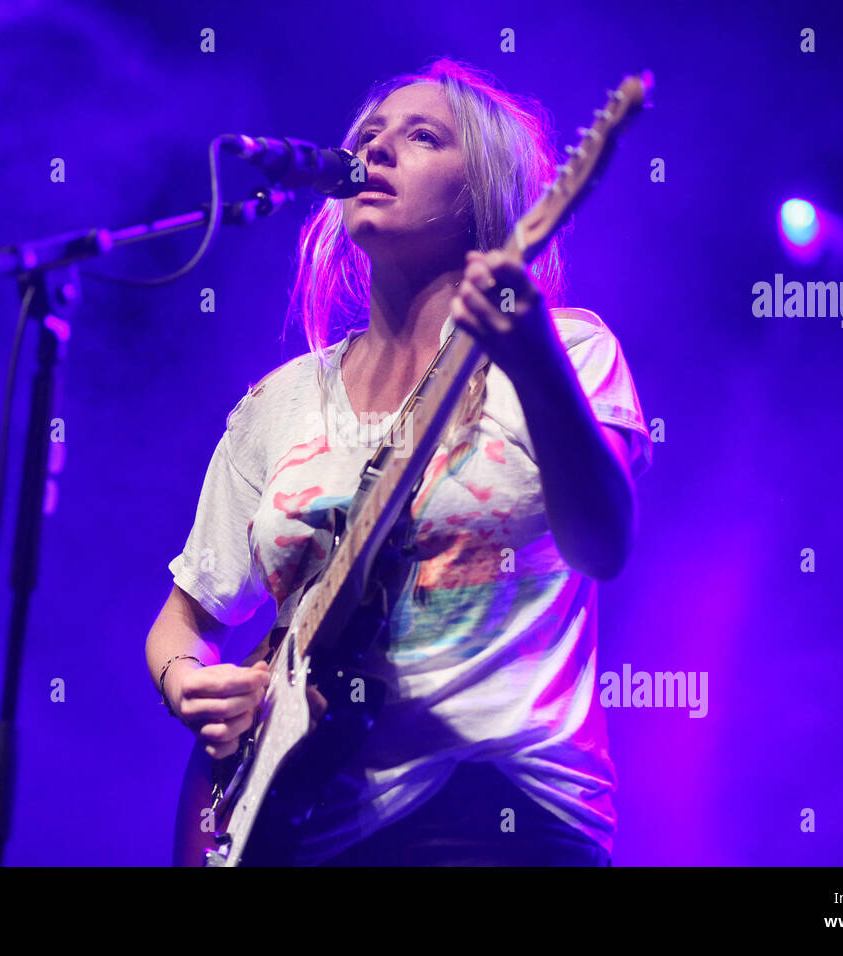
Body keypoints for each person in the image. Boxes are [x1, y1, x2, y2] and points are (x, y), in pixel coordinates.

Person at [146, 57, 652, 866]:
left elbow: (605, 545)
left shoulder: (571, 349)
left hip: (499, 810)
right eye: (369, 136)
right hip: (295, 821)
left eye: (422, 138)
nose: (377, 151)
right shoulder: (280, 403)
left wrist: (534, 364)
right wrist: (188, 682)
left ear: (483, 190)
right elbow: (187, 615)